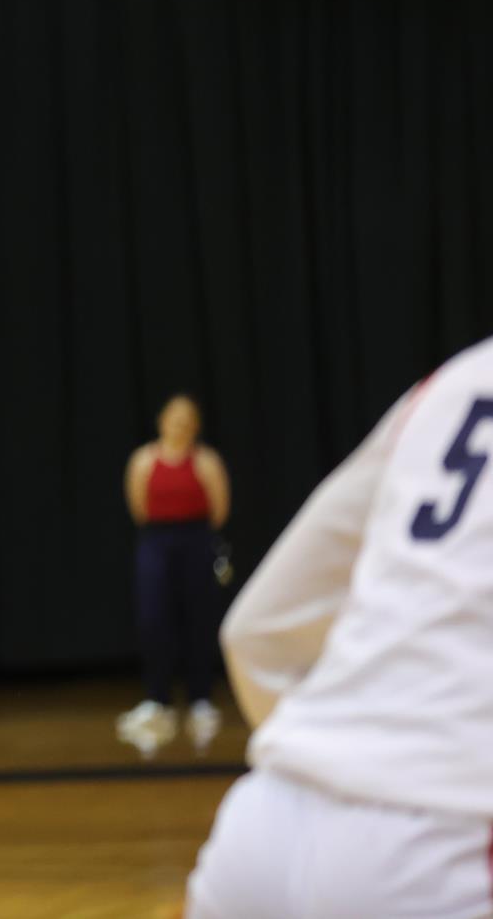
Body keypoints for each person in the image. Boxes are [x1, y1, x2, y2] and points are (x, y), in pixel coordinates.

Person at [187, 347, 493, 917]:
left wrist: (337, 756)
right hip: (447, 848)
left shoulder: (449, 388)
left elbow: (258, 627)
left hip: (263, 827)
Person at [116, 394, 232, 756]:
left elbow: (219, 508)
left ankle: (200, 699)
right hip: (156, 541)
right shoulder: (143, 461)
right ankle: (158, 701)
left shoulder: (207, 461)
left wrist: (195, 535)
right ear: (162, 421)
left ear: (194, 426)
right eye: (173, 418)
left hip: (196, 539)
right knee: (154, 620)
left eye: (187, 420)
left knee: (198, 618)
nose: (179, 425)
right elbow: (138, 506)